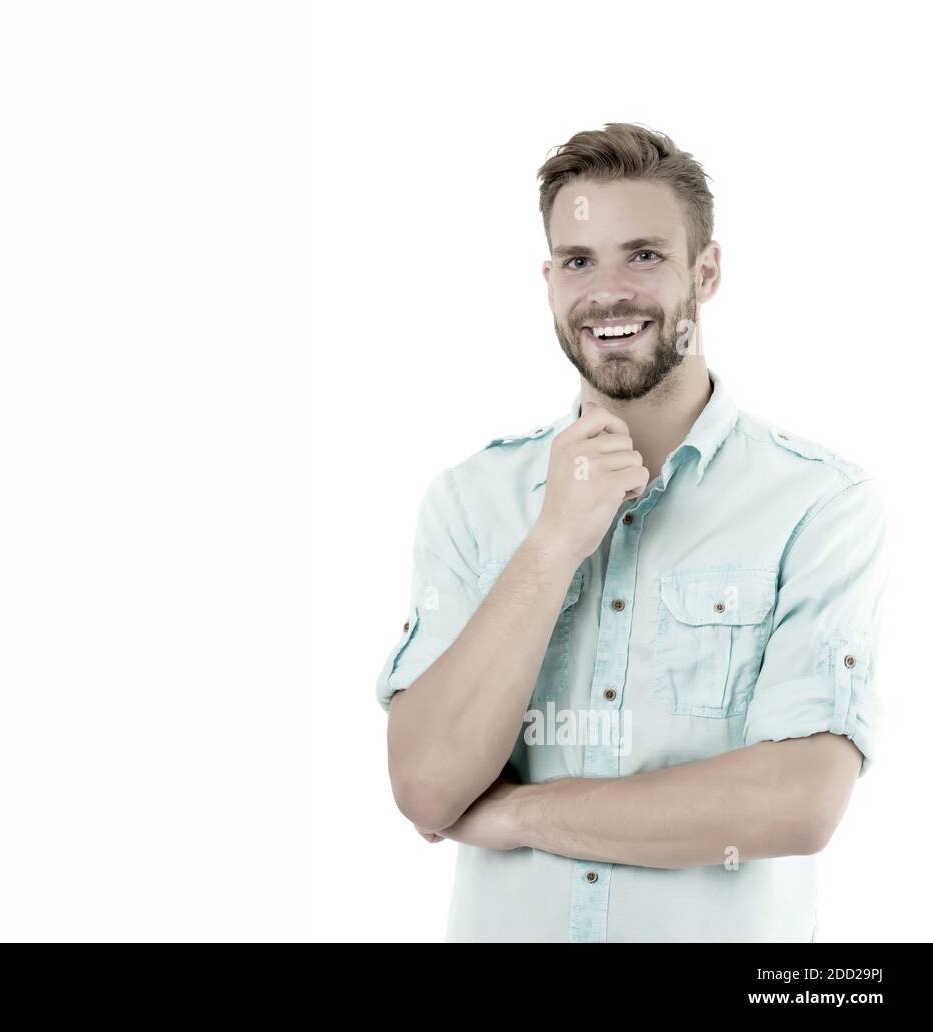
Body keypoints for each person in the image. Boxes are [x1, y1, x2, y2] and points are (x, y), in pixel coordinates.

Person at [374, 123, 886, 942]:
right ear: (548, 282)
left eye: (643, 255)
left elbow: (798, 802)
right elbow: (429, 790)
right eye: (579, 261)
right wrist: (552, 545)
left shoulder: (817, 502)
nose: (608, 291)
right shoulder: (471, 502)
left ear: (706, 271)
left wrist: (520, 815)